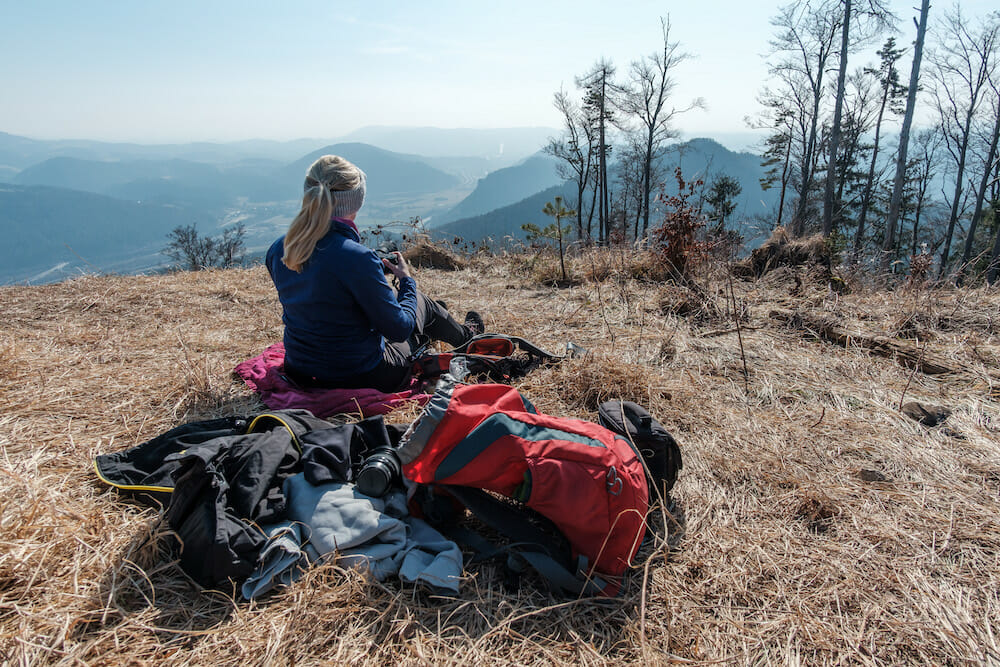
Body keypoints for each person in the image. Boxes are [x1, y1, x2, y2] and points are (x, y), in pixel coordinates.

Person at [266, 155, 483, 392]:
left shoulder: (279, 249)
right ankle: (468, 338)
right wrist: (407, 281)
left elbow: (323, 292)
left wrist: (371, 267)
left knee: (402, 305)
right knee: (422, 303)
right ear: (356, 201)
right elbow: (398, 329)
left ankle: (438, 330)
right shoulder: (356, 258)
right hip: (363, 375)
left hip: (302, 370)